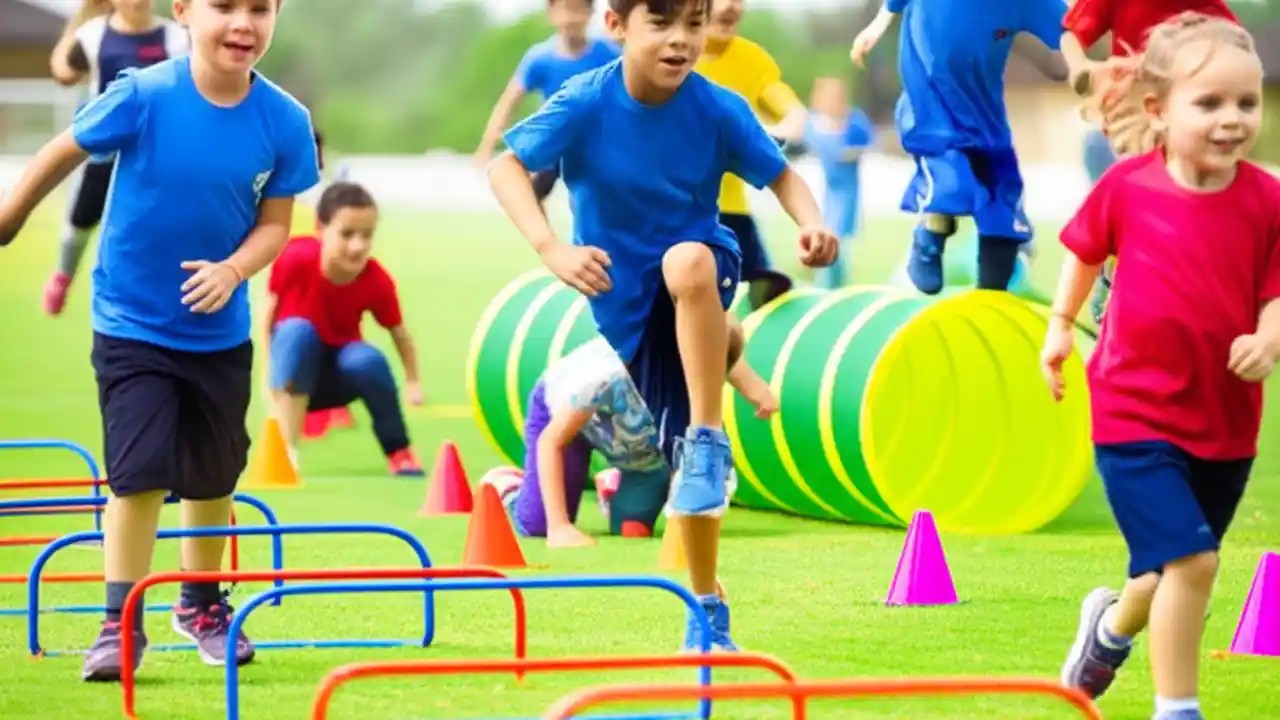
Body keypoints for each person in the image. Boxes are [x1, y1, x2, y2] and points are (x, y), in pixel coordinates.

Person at [487, 0, 838, 651]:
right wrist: (550, 248)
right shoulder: (585, 102)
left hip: (701, 267)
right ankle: (707, 606)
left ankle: (711, 430)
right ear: (616, 26)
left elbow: (785, 178)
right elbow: (504, 166)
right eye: (663, 22)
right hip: (628, 314)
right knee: (687, 478)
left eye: (694, 23)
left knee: (689, 261)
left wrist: (812, 224)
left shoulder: (719, 107)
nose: (682, 40)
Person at [0, 0, 319, 681]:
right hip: (132, 323)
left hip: (219, 331)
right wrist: (12, 214)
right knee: (139, 472)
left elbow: (275, 225)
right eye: (224, 7)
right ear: (183, 11)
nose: (244, 23)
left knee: (212, 474)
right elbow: (65, 150)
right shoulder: (145, 95)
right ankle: (119, 622)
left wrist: (234, 269)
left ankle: (200, 603)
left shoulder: (285, 120)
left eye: (260, 9)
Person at [1040, 14, 1279, 720]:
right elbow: (1085, 249)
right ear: (1159, 111)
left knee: (1164, 570)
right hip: (1132, 415)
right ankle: (1177, 708)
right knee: (1195, 564)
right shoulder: (1127, 187)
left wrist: (1270, 339)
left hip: (1225, 423)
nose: (1232, 119)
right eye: (1209, 104)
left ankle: (1107, 634)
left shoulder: (1268, 201)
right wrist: (1058, 327)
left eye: (1248, 102)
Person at [489, 316, 777, 548]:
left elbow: (715, 341)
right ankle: (510, 488)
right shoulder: (606, 375)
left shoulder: (698, 375)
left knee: (633, 529)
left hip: (641, 452)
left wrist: (756, 389)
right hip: (569, 426)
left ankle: (613, 487)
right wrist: (559, 527)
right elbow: (551, 441)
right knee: (536, 524)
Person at [849, 0, 1067, 296]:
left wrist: (1082, 67)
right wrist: (877, 26)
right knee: (952, 183)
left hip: (987, 122)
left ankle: (992, 295)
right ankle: (929, 238)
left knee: (1003, 211)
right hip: (930, 109)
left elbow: (1070, 36)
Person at [1059, 0, 1240, 326]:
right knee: (1139, 199)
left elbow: (1235, 50)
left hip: (1185, 117)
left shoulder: (1208, 8)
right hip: (1131, 109)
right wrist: (1080, 66)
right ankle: (1115, 273)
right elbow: (1071, 32)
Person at [263, 182, 426, 478]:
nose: (358, 246)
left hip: (337, 380)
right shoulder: (294, 259)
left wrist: (414, 382)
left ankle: (399, 452)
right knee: (297, 332)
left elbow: (400, 334)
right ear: (321, 228)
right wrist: (270, 374)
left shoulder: (376, 280)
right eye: (347, 234)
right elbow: (269, 317)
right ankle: (286, 449)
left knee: (368, 360)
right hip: (292, 373)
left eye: (367, 235)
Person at [42, 0, 190, 316]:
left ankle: (159, 295)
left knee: (157, 229)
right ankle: (63, 276)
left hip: (156, 157)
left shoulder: (176, 37)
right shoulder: (93, 35)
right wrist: (79, 21)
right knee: (79, 223)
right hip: (103, 155)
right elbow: (63, 73)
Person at [695, 0, 807, 310]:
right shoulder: (671, 57)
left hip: (732, 216)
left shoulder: (751, 59)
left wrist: (780, 131)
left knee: (768, 299)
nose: (731, 6)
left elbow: (792, 112)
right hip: (672, 213)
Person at [472, 0, 619, 207]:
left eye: (578, 11)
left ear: (591, 13)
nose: (570, 19)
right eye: (565, 11)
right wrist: (486, 144)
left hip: (594, 141)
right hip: (555, 139)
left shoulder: (607, 54)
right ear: (551, 14)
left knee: (595, 197)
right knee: (532, 192)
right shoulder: (539, 59)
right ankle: (543, 237)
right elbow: (509, 101)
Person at [803, 76, 875, 290]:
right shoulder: (815, 123)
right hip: (825, 188)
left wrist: (848, 152)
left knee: (837, 236)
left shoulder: (854, 120)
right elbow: (802, 139)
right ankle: (825, 282)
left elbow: (867, 143)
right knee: (824, 231)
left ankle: (831, 285)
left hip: (847, 190)